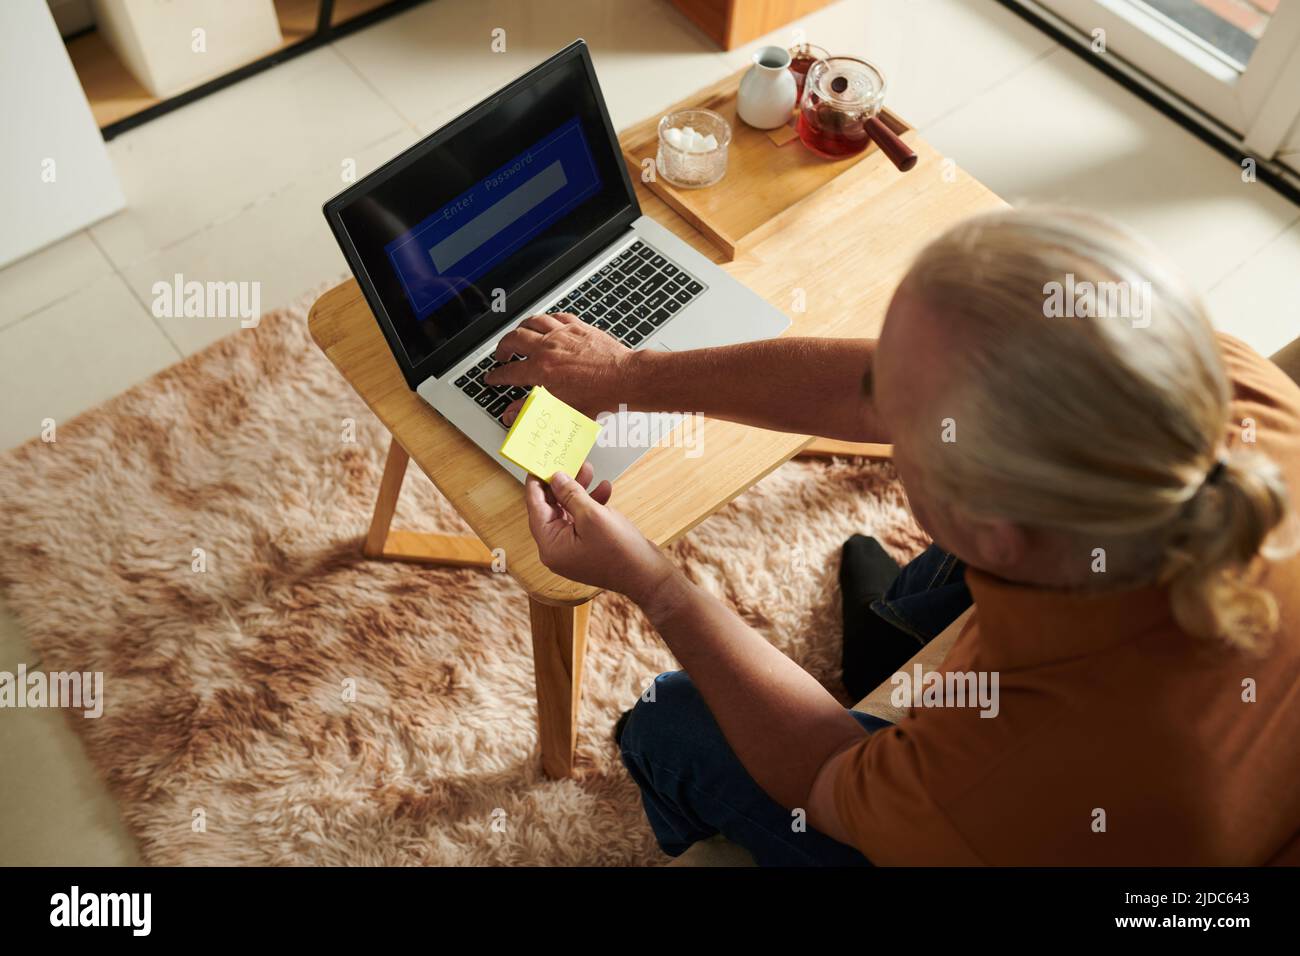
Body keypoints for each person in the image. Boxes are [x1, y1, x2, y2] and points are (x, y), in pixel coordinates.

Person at [484, 207, 1300, 865]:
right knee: (919, 596)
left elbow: (829, 778)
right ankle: (892, 639)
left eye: (900, 426)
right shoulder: (1222, 388)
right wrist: (632, 377)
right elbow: (881, 386)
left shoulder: (992, 781)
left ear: (996, 532)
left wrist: (659, 585)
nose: (876, 425)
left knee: (667, 723)